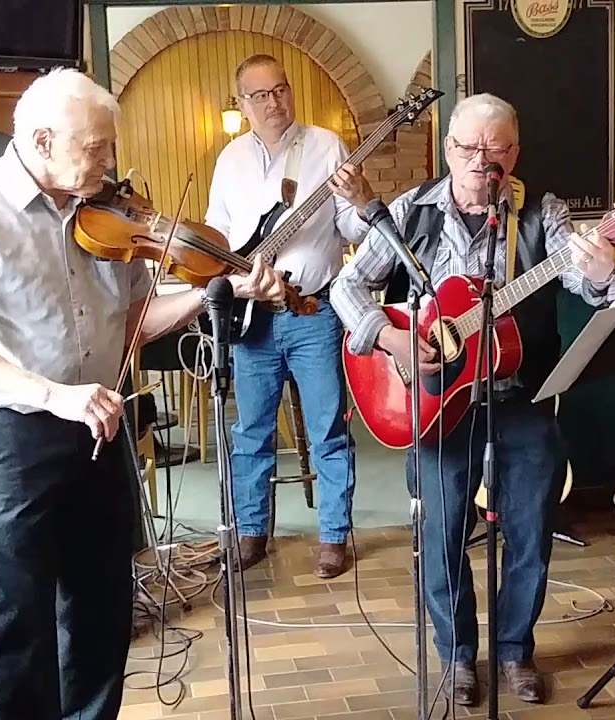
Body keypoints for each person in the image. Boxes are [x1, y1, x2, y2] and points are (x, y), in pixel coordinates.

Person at [0, 68, 285, 720]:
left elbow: (137, 320)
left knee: (103, 604)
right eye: (95, 147)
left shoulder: (105, 213)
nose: (109, 162)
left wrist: (217, 291)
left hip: (98, 425)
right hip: (11, 433)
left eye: (109, 146)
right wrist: (55, 395)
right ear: (43, 140)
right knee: (23, 618)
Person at [330, 93, 615, 705]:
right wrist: (391, 337)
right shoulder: (409, 213)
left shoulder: (542, 214)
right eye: (468, 148)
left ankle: (516, 650)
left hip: (519, 398)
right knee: (440, 535)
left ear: (513, 154)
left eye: (494, 150)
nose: (480, 161)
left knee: (530, 531)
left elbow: (586, 283)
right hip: (437, 404)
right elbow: (346, 284)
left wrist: (601, 272)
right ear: (448, 150)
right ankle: (458, 654)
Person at [203, 54, 375, 578]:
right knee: (251, 432)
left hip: (313, 311)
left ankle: (333, 537)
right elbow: (217, 236)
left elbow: (356, 231)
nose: (274, 101)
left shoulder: (325, 146)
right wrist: (238, 273)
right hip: (251, 317)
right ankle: (251, 532)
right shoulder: (229, 160)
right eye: (261, 94)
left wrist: (364, 198)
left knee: (327, 430)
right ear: (242, 104)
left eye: (281, 90)